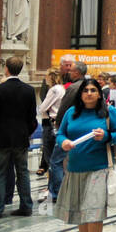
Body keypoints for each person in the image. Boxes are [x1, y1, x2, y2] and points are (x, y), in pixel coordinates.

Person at [55, 77, 116, 232]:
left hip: (98, 170)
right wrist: (63, 142)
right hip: (75, 169)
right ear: (80, 94)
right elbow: (60, 133)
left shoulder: (109, 112)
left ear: (100, 94)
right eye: (85, 91)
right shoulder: (71, 112)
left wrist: (106, 136)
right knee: (81, 213)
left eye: (93, 90)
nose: (89, 93)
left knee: (93, 213)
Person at [0, 56, 38, 219]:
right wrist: (26, 132)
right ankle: (26, 206)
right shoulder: (28, 90)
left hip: (2, 137)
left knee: (0, 172)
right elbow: (32, 117)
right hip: (20, 137)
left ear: (6, 68)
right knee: (23, 172)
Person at [45, 60, 87, 204]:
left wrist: (58, 125)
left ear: (77, 73)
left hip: (70, 127)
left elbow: (65, 107)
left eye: (71, 70)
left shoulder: (73, 88)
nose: (69, 72)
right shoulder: (88, 85)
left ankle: (58, 192)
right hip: (83, 127)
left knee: (56, 161)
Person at [37, 69, 64, 177]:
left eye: (46, 76)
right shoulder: (61, 88)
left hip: (49, 123)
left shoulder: (54, 90)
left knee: (50, 156)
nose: (45, 78)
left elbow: (43, 107)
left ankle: (53, 188)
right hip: (57, 122)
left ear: (51, 77)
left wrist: (41, 108)